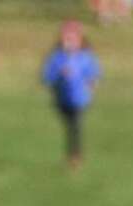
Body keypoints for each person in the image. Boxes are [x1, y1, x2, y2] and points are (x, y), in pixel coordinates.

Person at [41, 20, 101, 170]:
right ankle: (72, 155)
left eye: (73, 38)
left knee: (75, 126)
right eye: (67, 37)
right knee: (69, 125)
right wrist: (60, 76)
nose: (70, 41)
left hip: (80, 99)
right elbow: (47, 77)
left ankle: (74, 156)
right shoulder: (57, 57)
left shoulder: (85, 57)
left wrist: (91, 86)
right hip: (62, 99)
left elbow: (93, 74)